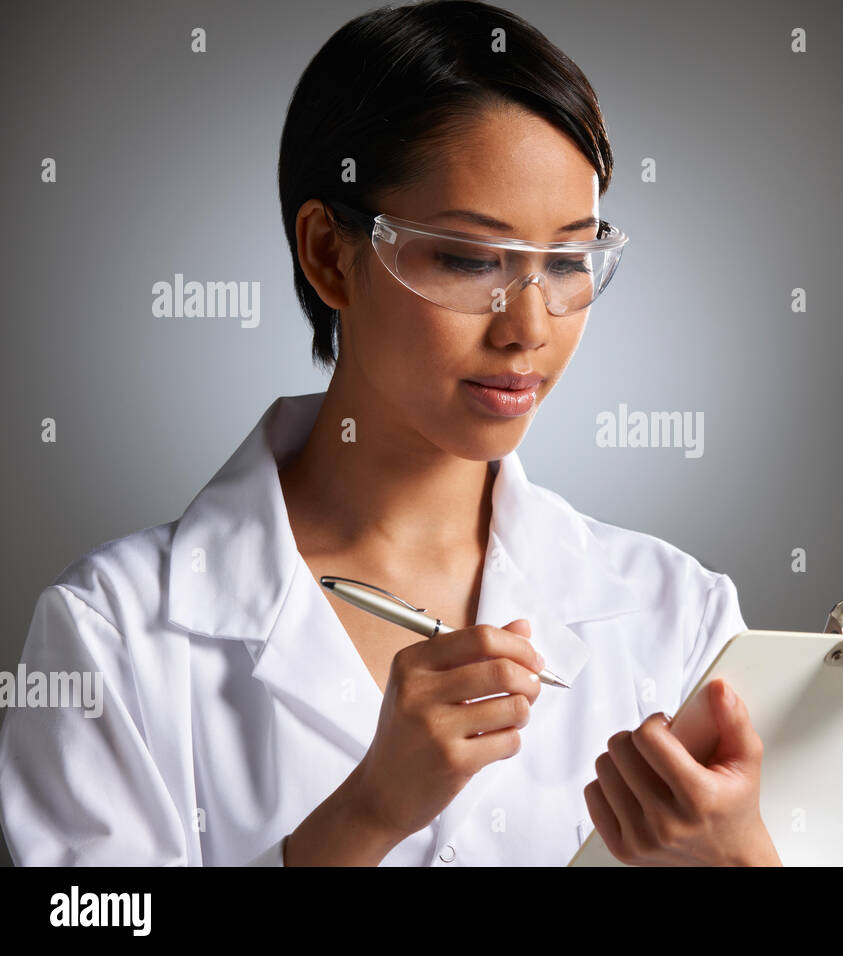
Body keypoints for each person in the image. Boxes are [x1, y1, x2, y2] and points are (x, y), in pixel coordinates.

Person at [0, 0, 781, 867]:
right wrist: (366, 815)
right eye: (469, 258)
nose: (528, 327)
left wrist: (746, 861)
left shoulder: (679, 617)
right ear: (330, 255)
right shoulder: (112, 632)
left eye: (566, 262)